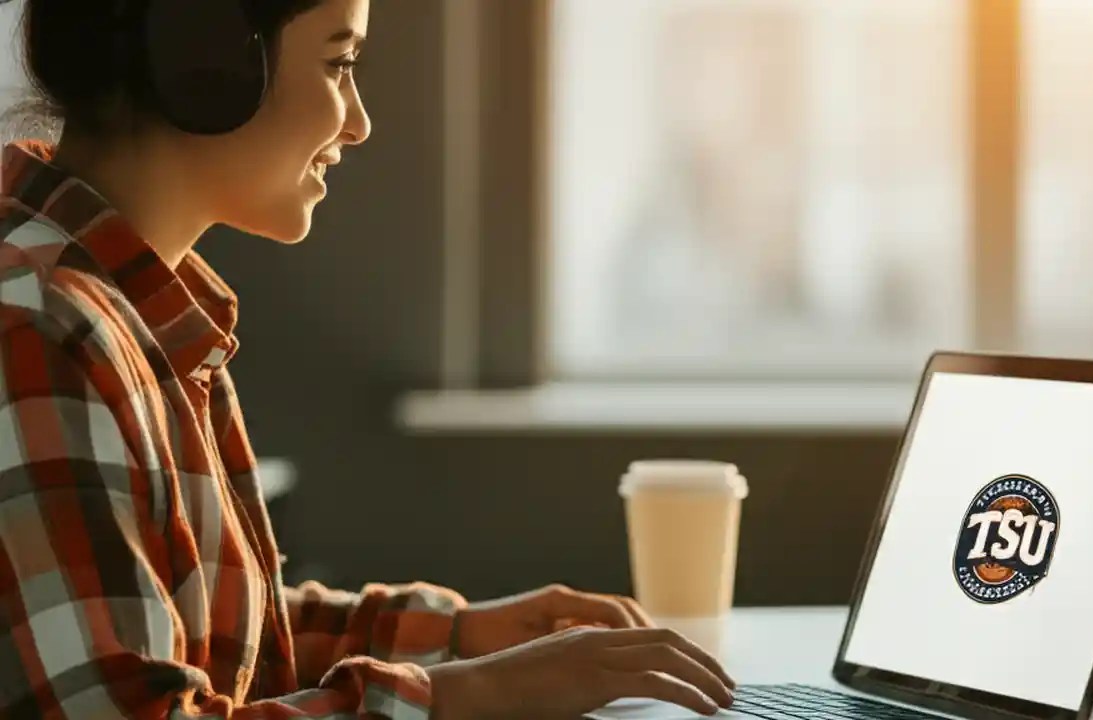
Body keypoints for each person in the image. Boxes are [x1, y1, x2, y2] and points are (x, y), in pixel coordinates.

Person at [0, 0, 736, 718]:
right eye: (338, 62)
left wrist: (462, 637)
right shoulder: (39, 326)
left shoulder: (125, 310)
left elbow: (196, 631)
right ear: (208, 59)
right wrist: (478, 695)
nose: (358, 121)